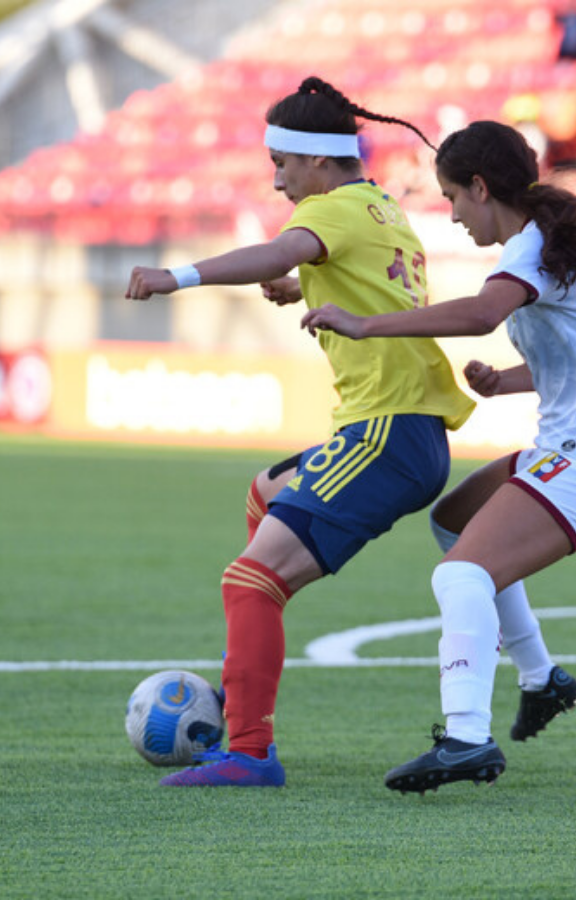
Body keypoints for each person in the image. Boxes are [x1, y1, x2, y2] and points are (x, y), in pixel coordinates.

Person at [125, 76, 479, 787]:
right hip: (402, 430)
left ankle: (250, 751)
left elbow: (278, 251)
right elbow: (361, 274)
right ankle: (245, 676)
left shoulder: (331, 208)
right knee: (265, 493)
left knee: (249, 581)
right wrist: (307, 284)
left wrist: (176, 275)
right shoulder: (379, 205)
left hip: (385, 434)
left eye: (281, 163)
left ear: (317, 159)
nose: (277, 179)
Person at [302, 120, 576, 794]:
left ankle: (467, 737)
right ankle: (542, 679)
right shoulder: (546, 243)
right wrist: (505, 381)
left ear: (480, 186)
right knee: (454, 524)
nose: (452, 214)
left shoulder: (532, 247)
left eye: (451, 198)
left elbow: (479, 315)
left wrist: (365, 324)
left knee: (460, 576)